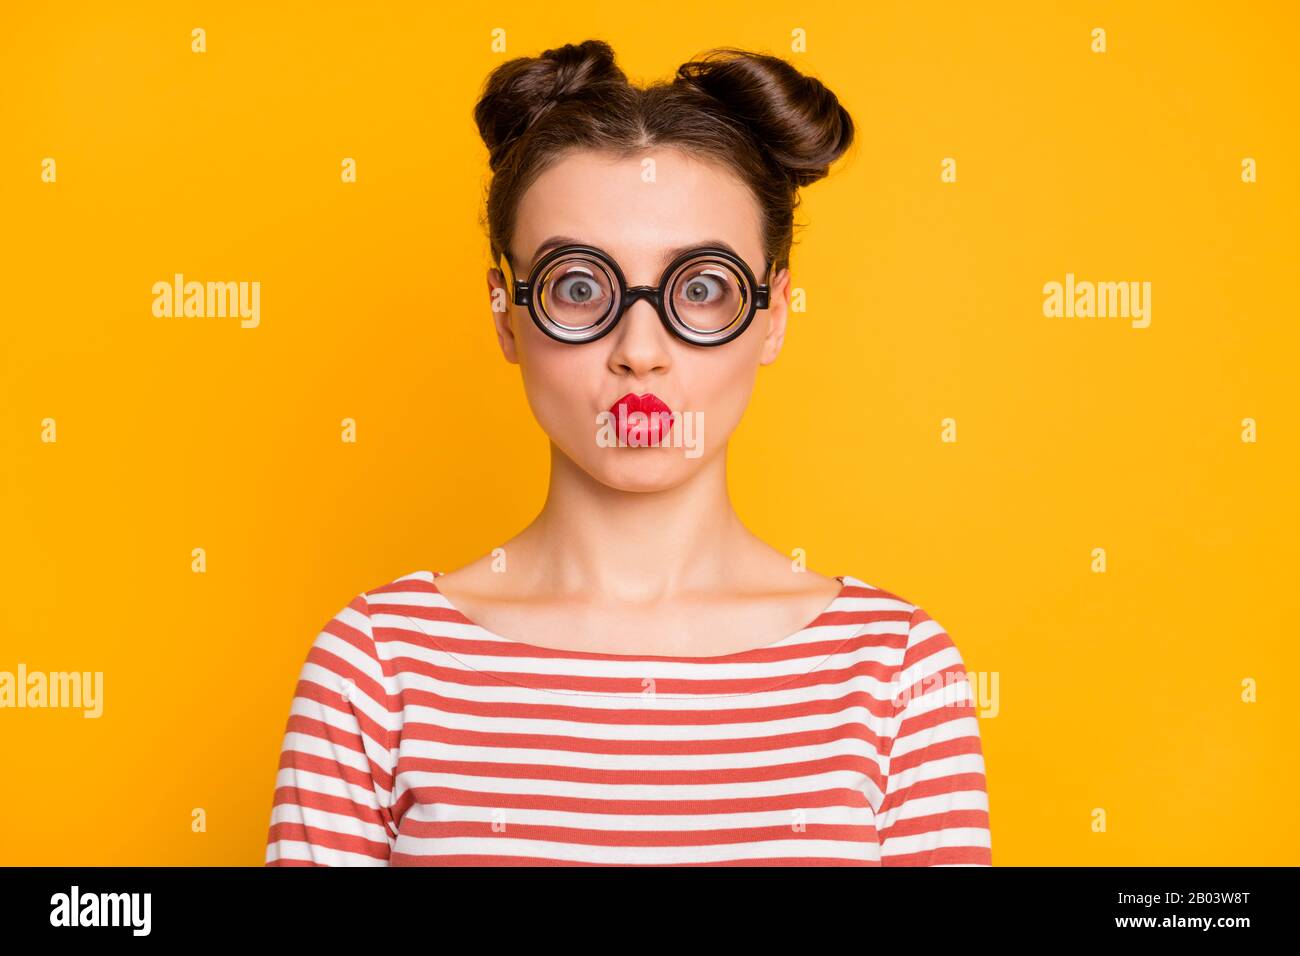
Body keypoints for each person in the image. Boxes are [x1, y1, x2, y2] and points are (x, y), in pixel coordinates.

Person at [264, 38, 992, 866]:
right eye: (581, 286)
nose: (639, 350)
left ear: (776, 312)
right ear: (506, 312)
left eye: (702, 289)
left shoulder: (896, 673)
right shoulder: (376, 670)